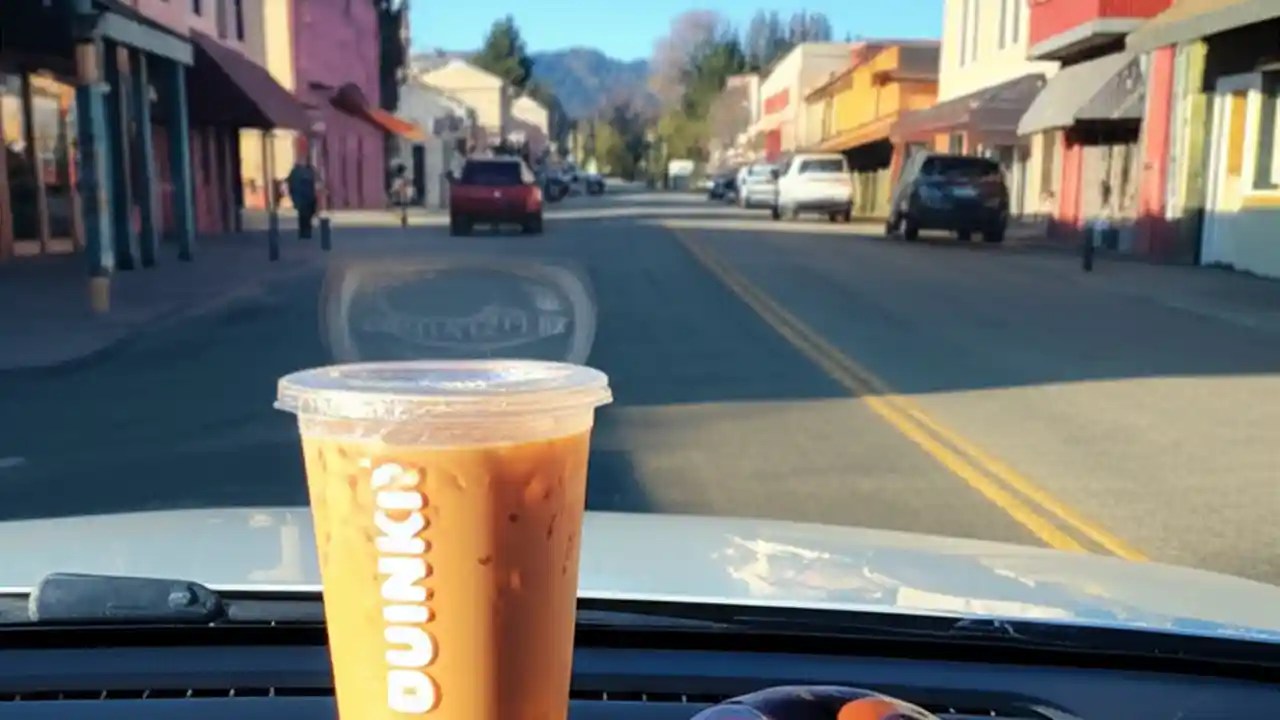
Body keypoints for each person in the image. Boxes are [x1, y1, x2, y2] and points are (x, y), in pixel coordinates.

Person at [286, 160, 318, 239]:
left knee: (306, 214)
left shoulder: (309, 170)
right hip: (303, 196)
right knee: (304, 215)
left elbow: (289, 183)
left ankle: (305, 231)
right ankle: (305, 231)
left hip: (306, 196)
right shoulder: (297, 171)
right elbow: (290, 183)